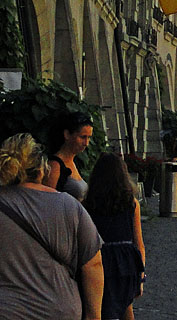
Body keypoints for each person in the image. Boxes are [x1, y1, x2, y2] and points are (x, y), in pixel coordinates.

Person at [0, 133, 104, 320]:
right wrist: (93, 315)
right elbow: (93, 263)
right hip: (59, 309)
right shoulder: (68, 205)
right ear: (42, 169)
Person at [83, 153, 146, 320]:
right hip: (126, 262)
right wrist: (141, 274)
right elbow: (139, 242)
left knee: (100, 310)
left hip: (100, 260)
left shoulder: (88, 204)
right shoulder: (131, 203)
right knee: (126, 309)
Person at [46, 111, 93, 201]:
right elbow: (48, 200)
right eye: (83, 137)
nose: (86, 143)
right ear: (67, 134)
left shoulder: (73, 162)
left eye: (89, 137)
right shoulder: (55, 166)